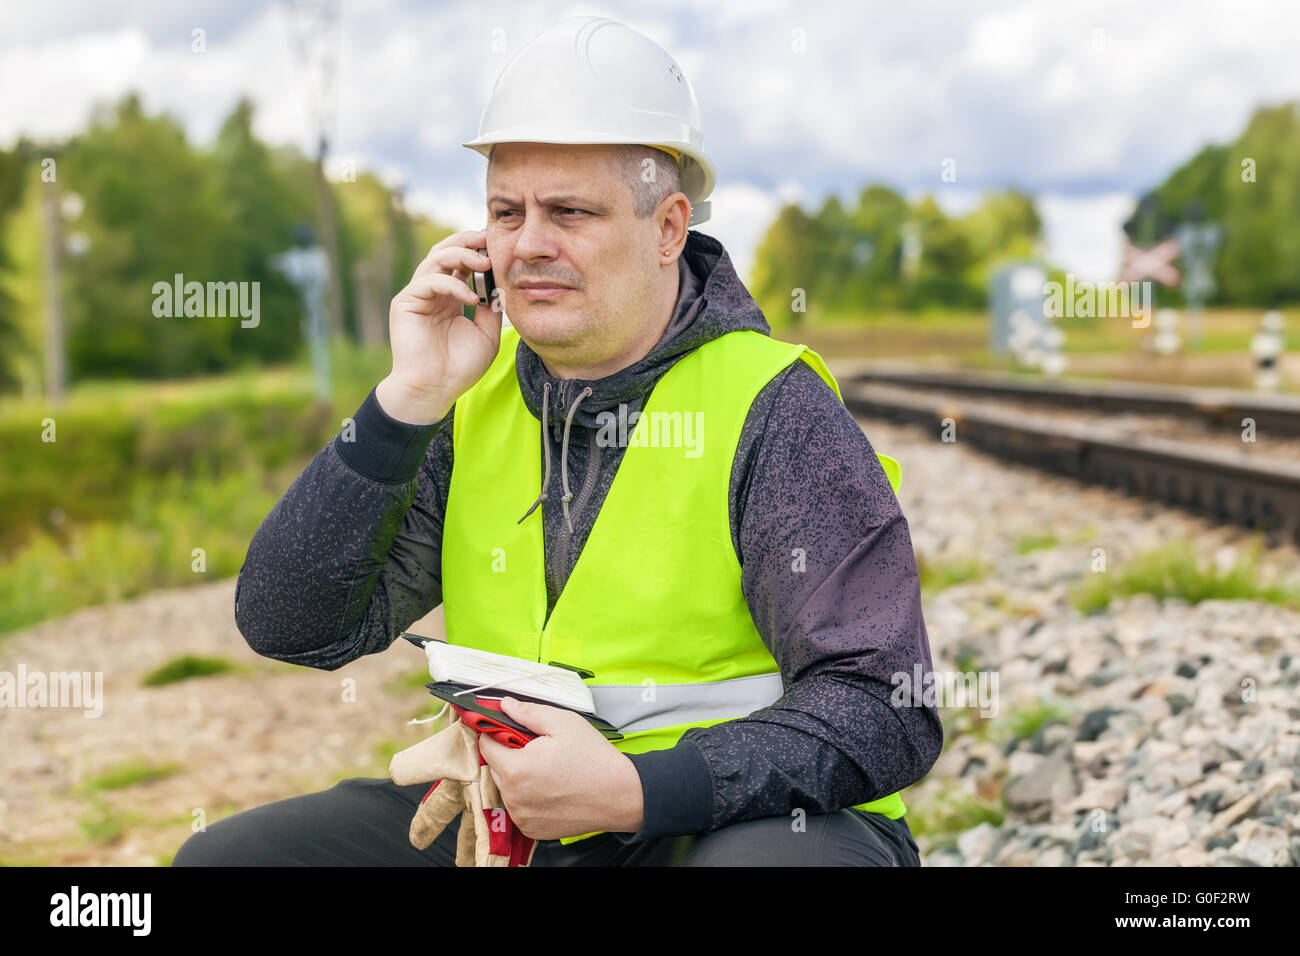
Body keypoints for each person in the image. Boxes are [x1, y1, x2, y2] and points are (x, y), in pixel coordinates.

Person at [173, 15, 941, 867]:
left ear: (668, 228)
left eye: (569, 211)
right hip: (514, 819)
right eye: (507, 211)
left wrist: (639, 790)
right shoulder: (467, 403)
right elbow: (292, 624)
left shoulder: (772, 408)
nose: (529, 244)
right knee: (230, 863)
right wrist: (404, 401)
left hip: (731, 823)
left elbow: (885, 705)